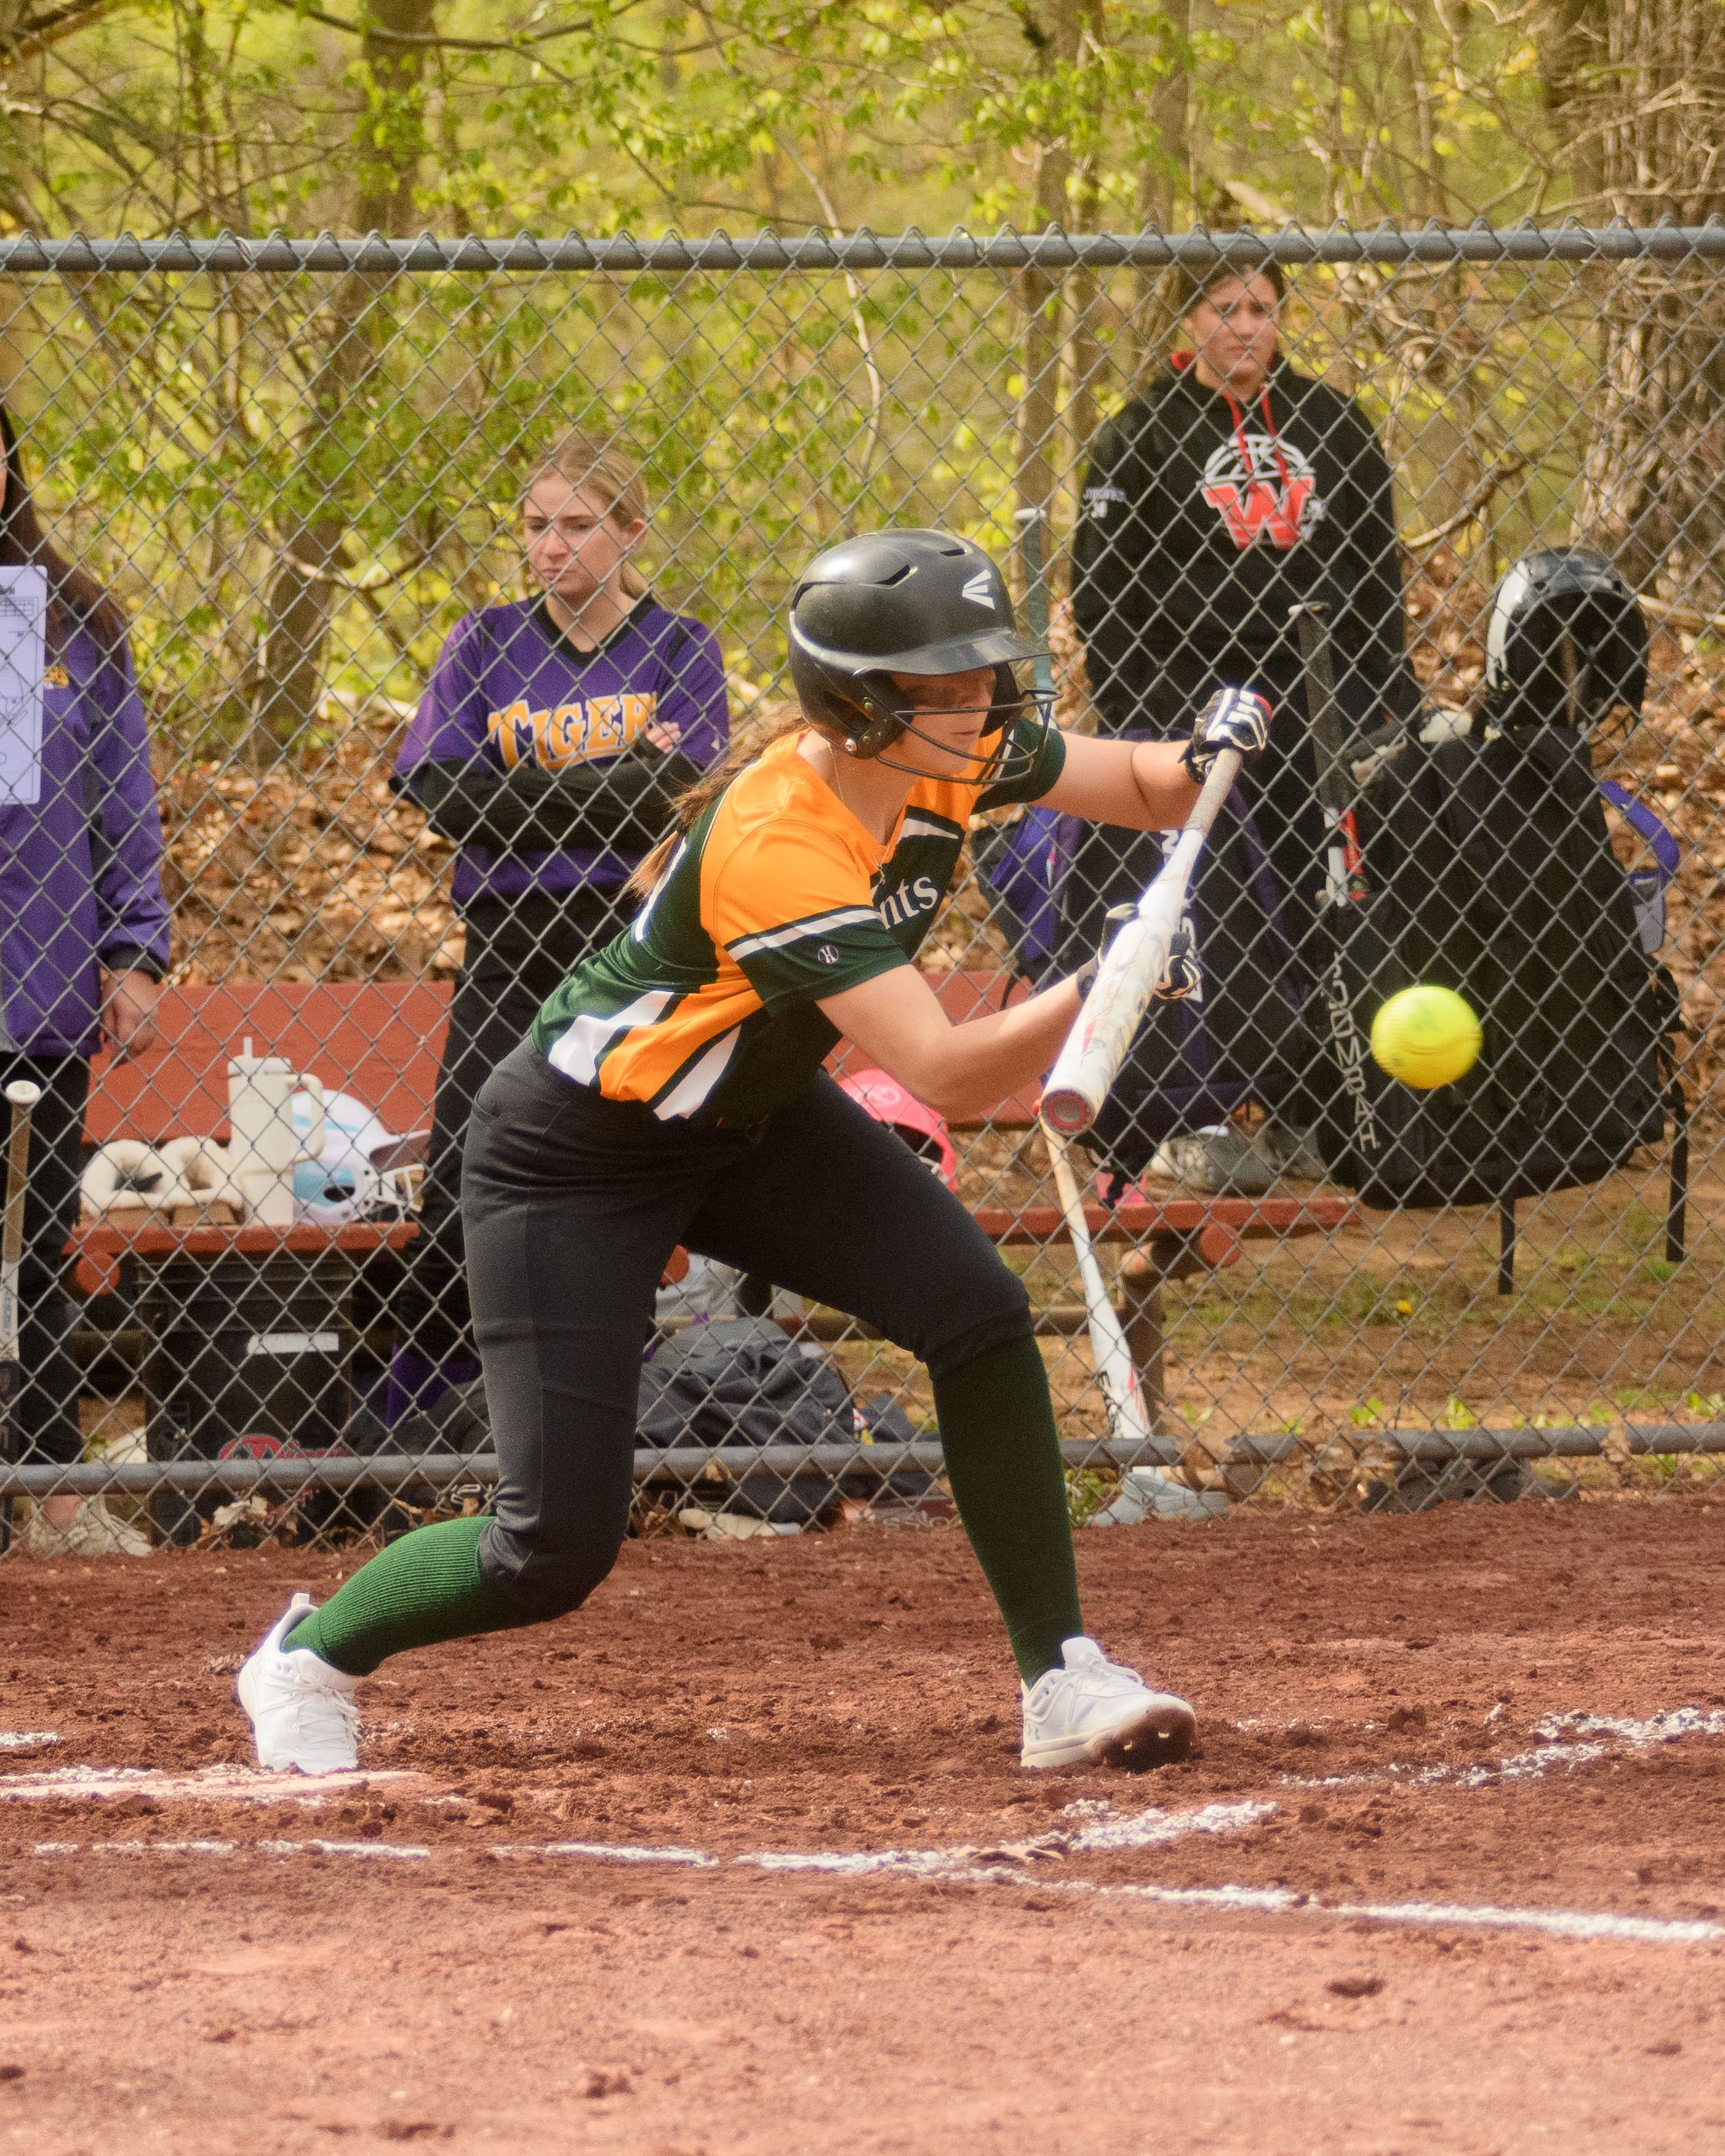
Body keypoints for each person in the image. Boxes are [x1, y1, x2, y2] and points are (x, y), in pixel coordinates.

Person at [235, 527, 1269, 1777]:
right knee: (552, 1545)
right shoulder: (778, 834)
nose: (983, 698)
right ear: (859, 700)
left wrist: (1215, 751)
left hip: (753, 1118)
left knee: (979, 1315)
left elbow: (1152, 786)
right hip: (576, 1150)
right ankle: (310, 1653)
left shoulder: (956, 747)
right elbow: (942, 1068)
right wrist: (1105, 986)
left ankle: (1060, 1673)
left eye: (985, 669)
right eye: (946, 680)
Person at [387, 433, 728, 1424]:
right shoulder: (484, 643)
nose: (551, 547)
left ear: (630, 531)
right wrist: (602, 793)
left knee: (627, 1158)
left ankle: (615, 1385)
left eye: (578, 526)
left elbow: (674, 794)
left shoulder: (679, 647)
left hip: (632, 932)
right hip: (506, 933)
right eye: (537, 526)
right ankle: (427, 1398)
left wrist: (522, 791)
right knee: (467, 1156)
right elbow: (443, 790)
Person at [1070, 257, 1415, 1192]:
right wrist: (1136, 720)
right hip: (1192, 701)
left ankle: (1306, 1104)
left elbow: (1375, 575)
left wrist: (1384, 698)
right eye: (1225, 309)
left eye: (1262, 309)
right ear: (1189, 319)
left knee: (1317, 895)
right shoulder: (1141, 435)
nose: (1245, 328)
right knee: (1209, 902)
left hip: (1315, 697)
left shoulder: (1334, 425)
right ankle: (1200, 1112)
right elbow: (1102, 589)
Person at [0, 402, 170, 1557]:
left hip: (35, 986)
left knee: (31, 1241)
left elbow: (119, 800)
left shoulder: (66, 621)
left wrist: (133, 945)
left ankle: (53, 1485)